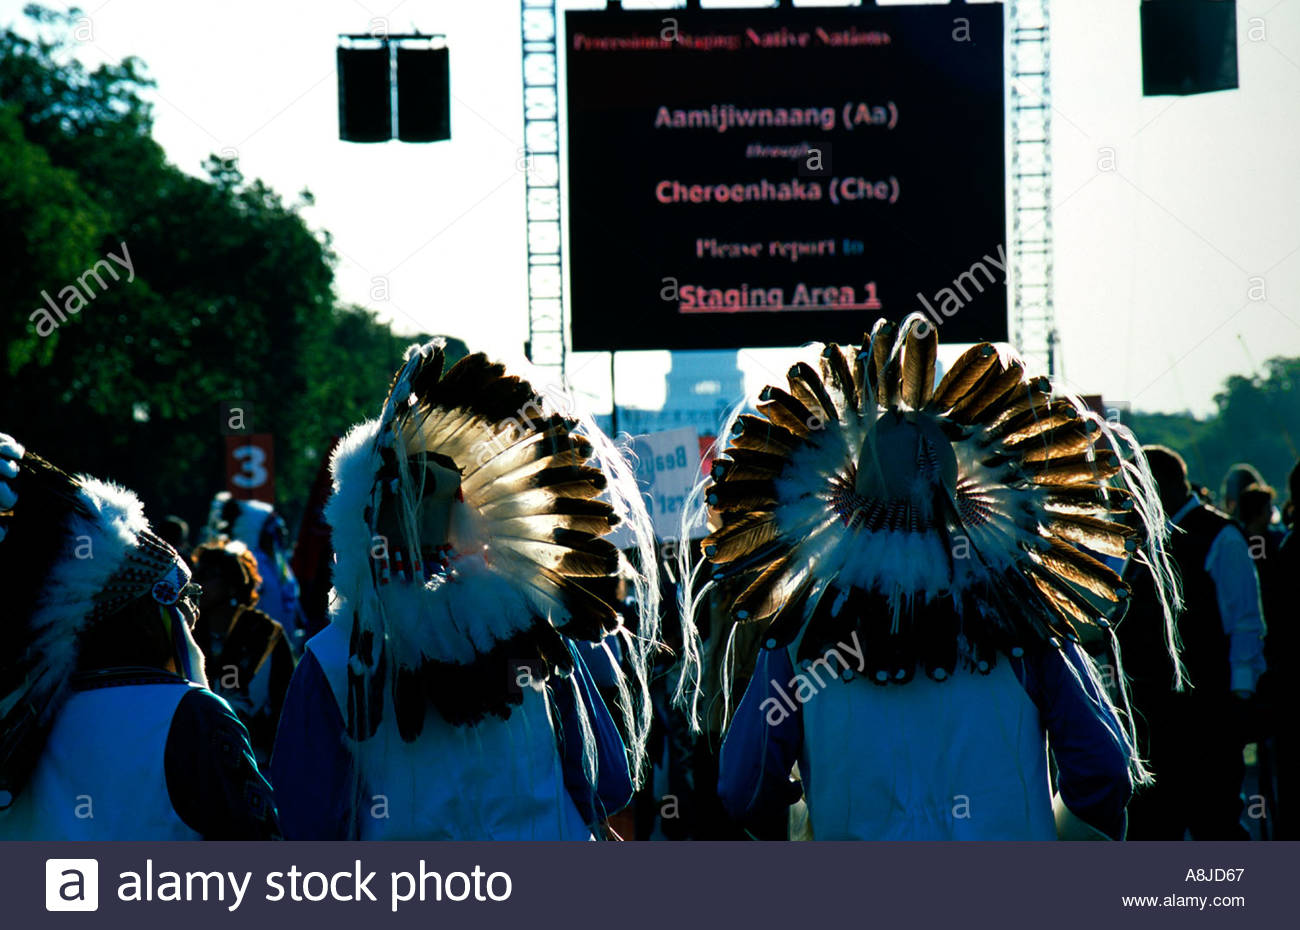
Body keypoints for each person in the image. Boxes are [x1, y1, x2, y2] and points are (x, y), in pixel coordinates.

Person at [687, 315, 1173, 840]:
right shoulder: (1023, 619)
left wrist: (804, 830)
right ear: (961, 496)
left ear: (846, 506)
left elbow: (745, 785)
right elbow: (1101, 772)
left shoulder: (800, 634)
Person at [271, 341, 661, 839]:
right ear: (467, 514)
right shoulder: (529, 626)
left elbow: (307, 825)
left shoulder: (332, 659)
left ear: (354, 526)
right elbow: (605, 781)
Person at [0, 434, 280, 840]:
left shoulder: (30, 714)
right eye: (182, 599)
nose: (192, 614)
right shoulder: (195, 713)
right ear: (150, 613)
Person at [1119, 446, 1267, 840]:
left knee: (1214, 819)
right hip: (1152, 713)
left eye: (1136, 487)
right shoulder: (1139, 542)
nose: (1130, 497)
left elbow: (1245, 622)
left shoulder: (1221, 537)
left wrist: (1241, 694)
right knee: (1151, 824)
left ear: (1162, 485)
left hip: (1208, 710)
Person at [190, 540, 295, 764]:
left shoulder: (265, 633)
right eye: (196, 575)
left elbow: (286, 700)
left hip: (256, 755)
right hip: (196, 752)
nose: (198, 583)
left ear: (231, 583)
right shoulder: (187, 631)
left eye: (208, 575)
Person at [204, 492, 308, 652]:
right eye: (272, 530)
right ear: (255, 530)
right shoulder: (248, 565)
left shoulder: (270, 564)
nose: (280, 535)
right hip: (254, 647)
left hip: (272, 645)